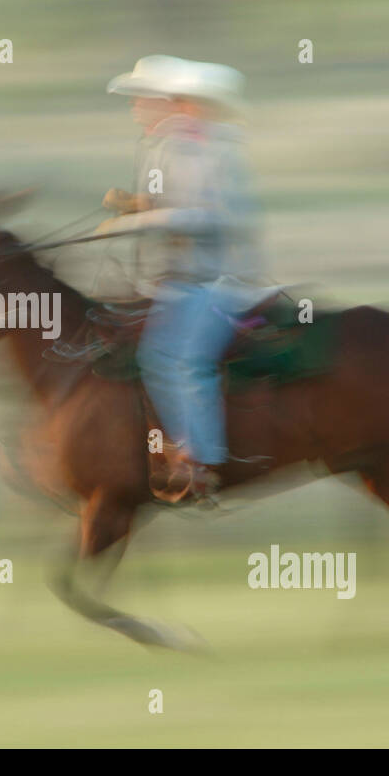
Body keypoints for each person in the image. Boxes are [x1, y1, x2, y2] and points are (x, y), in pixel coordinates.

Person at [97, 55, 268, 502]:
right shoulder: (166, 146)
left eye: (144, 99)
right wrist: (138, 206)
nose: (137, 108)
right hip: (173, 280)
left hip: (214, 281)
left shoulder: (213, 149)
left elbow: (210, 217)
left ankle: (200, 459)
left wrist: (142, 221)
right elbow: (173, 205)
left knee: (174, 359)